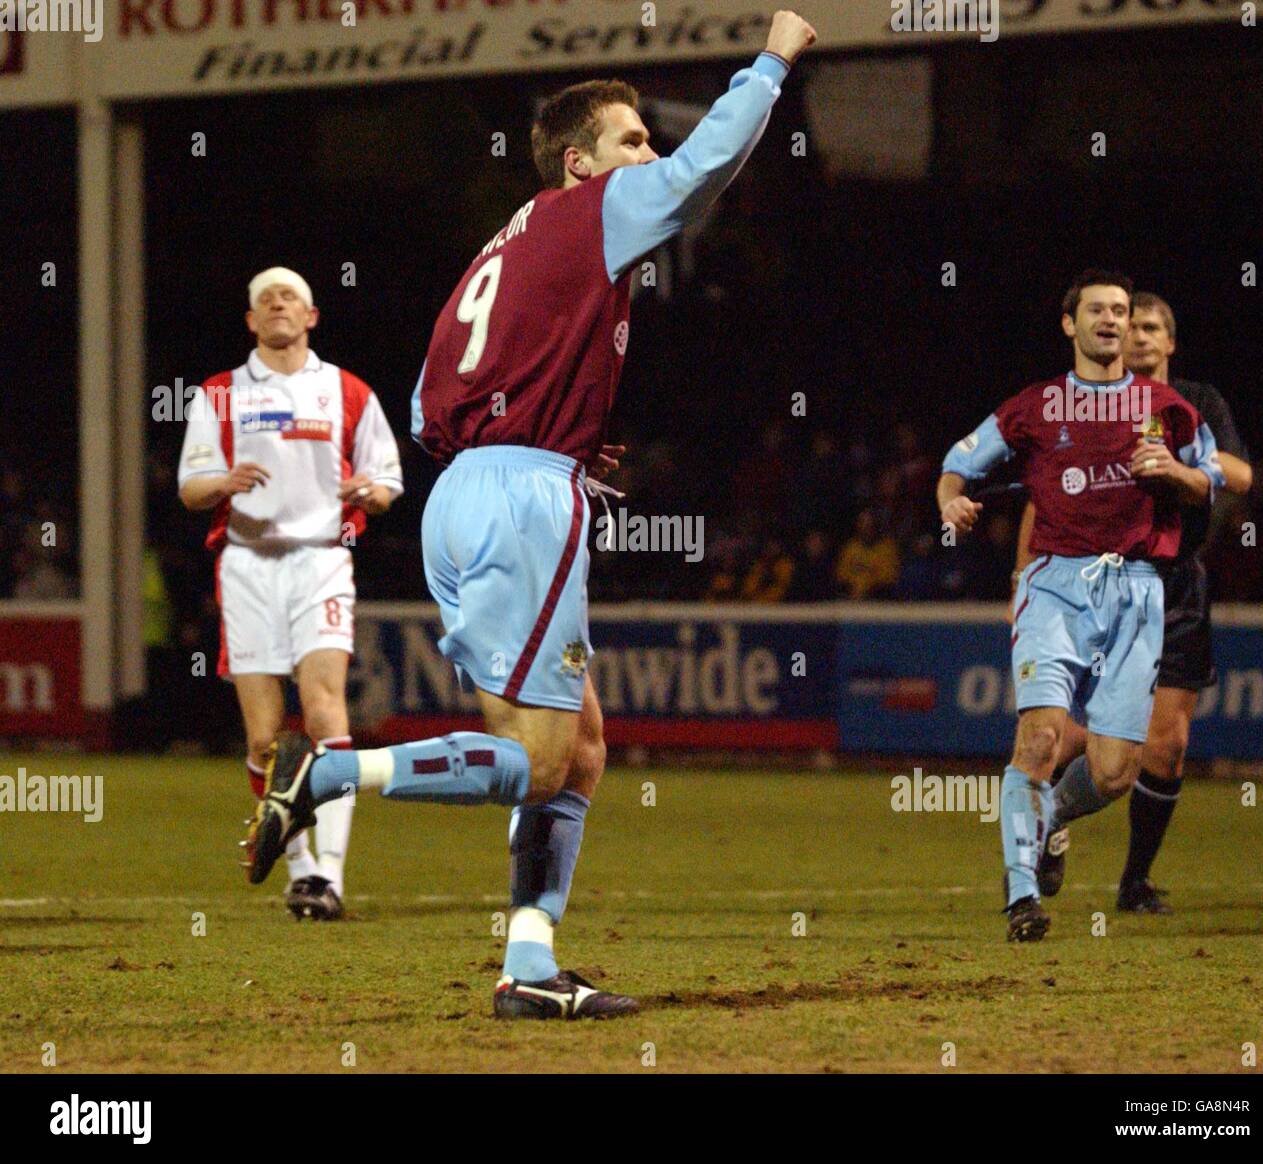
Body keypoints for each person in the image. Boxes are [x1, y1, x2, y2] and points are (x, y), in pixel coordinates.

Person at [244, 12, 819, 1017]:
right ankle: (334, 769)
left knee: (577, 751)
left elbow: (427, 406)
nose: (647, 154)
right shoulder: (593, 208)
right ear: (575, 161)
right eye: (630, 139)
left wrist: (539, 424)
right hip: (521, 499)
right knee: (543, 757)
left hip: (460, 493)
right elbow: (705, 168)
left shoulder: (494, 250)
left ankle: (528, 966)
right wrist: (772, 58)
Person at [937, 269, 1224, 941]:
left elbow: (1212, 480)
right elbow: (960, 458)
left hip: (1137, 592)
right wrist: (951, 496)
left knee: (1115, 771)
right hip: (1055, 585)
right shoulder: (1036, 406)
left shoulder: (1168, 407)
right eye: (1097, 311)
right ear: (1070, 325)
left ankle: (1051, 820)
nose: (1111, 321)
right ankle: (1021, 899)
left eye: (1121, 312)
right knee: (1038, 738)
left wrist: (1174, 474)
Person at [1013, 292, 1252, 913]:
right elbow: (1043, 498)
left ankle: (1133, 881)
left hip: (1177, 587)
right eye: (1132, 325)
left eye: (1152, 327)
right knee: (1069, 736)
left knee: (1166, 743)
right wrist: (1022, 582)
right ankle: (1044, 822)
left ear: (1170, 342)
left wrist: (1180, 465)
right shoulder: (1089, 404)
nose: (1139, 335)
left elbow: (1242, 476)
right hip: (1094, 582)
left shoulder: (1196, 405)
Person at [181, 267, 404, 920]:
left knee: (326, 709)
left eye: (290, 297)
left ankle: (328, 876)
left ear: (311, 316)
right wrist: (222, 482)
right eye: (264, 299)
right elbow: (191, 490)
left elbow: (387, 483)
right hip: (247, 567)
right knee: (263, 739)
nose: (277, 303)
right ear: (251, 321)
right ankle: (299, 868)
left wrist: (371, 492)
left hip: (321, 562)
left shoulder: (348, 391)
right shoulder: (219, 394)